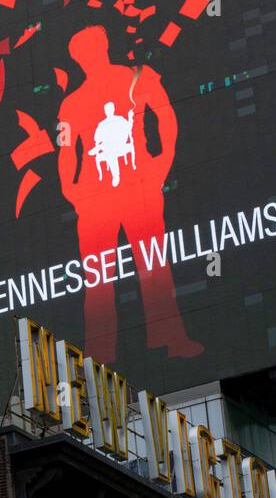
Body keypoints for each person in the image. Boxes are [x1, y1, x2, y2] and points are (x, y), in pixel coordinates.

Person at [57, 25, 202, 363]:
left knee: (153, 264)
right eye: (86, 53)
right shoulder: (72, 103)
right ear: (80, 59)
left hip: (137, 187)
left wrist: (160, 166)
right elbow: (66, 153)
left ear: (104, 47)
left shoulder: (138, 78)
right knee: (98, 276)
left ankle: (168, 337)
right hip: (97, 199)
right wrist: (74, 194)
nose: (91, 57)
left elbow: (166, 117)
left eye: (94, 49)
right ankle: (100, 355)